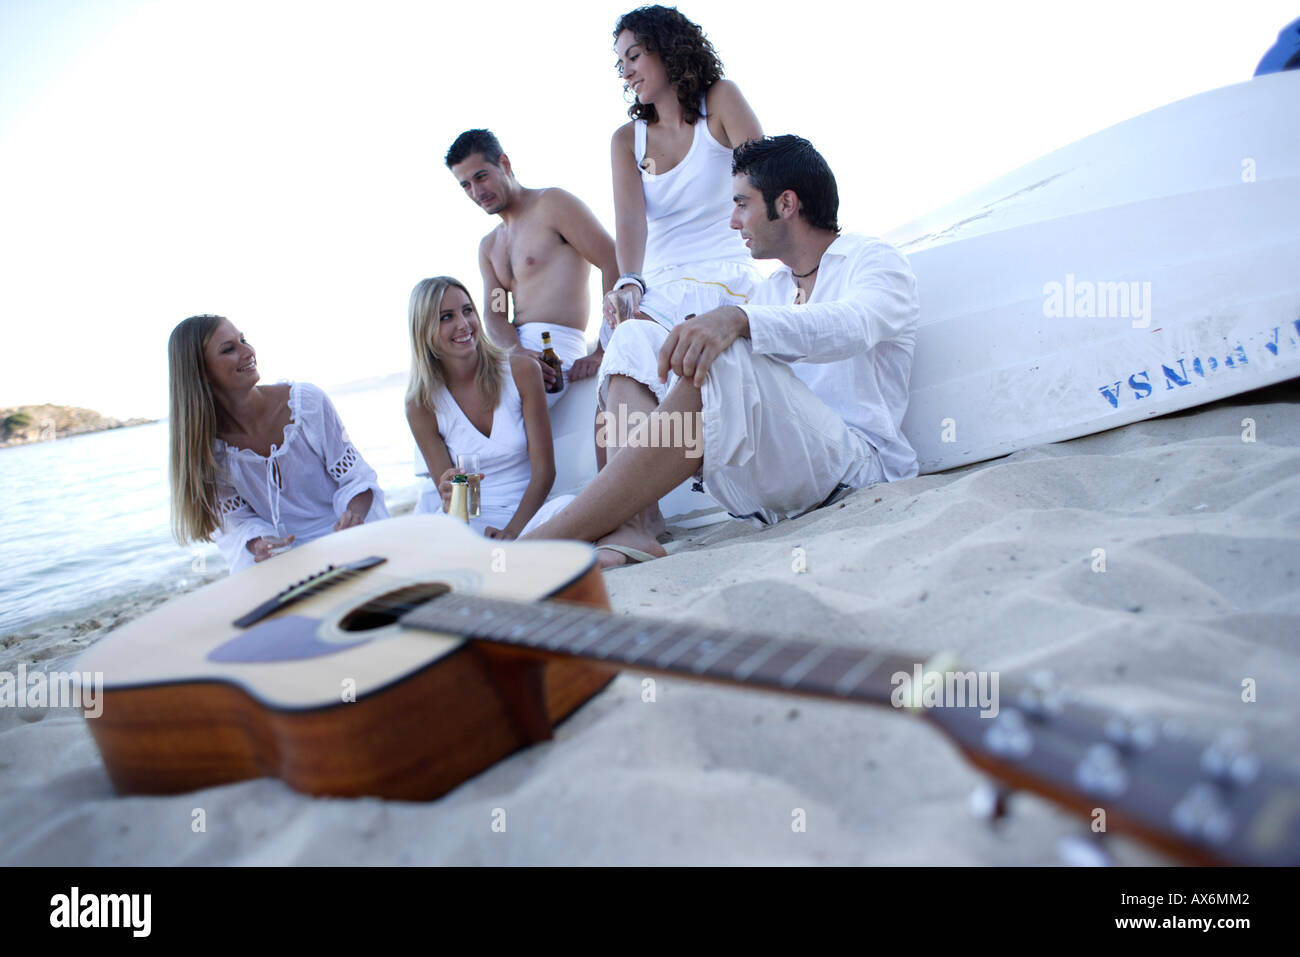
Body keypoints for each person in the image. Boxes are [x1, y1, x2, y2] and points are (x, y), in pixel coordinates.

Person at [525, 136, 920, 566]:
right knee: (633, 339)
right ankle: (633, 525)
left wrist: (739, 320)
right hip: (764, 488)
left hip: (853, 469)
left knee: (725, 350)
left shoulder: (872, 260)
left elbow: (853, 326)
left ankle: (545, 542)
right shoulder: (773, 291)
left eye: (742, 204)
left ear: (785, 204)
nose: (733, 221)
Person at [167, 314, 389, 575]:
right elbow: (236, 522)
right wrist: (259, 544)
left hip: (343, 541)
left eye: (243, 340)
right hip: (284, 559)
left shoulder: (307, 404)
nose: (248, 351)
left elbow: (357, 479)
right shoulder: (208, 449)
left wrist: (354, 516)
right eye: (229, 349)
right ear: (201, 373)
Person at [604, 5, 764, 337]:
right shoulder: (626, 141)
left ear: (666, 46)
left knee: (692, 347)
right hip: (660, 286)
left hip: (726, 274)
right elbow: (631, 222)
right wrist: (630, 282)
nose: (626, 73)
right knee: (626, 342)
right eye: (621, 64)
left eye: (633, 57)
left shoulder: (721, 101)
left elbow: (765, 176)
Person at [445, 129, 619, 406]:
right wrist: (516, 350)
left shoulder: (551, 205)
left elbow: (612, 260)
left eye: (481, 176)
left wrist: (604, 348)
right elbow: (496, 314)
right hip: (514, 353)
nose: (477, 192)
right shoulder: (490, 246)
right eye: (465, 185)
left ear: (504, 164)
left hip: (557, 349)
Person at [406, 276, 569, 538]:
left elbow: (545, 473)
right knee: (437, 539)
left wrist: (513, 531)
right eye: (446, 317)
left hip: (531, 514)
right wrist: (448, 492)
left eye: (467, 311)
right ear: (424, 330)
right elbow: (453, 500)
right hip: (477, 520)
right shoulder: (420, 405)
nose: (463, 324)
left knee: (569, 507)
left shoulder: (522, 371)